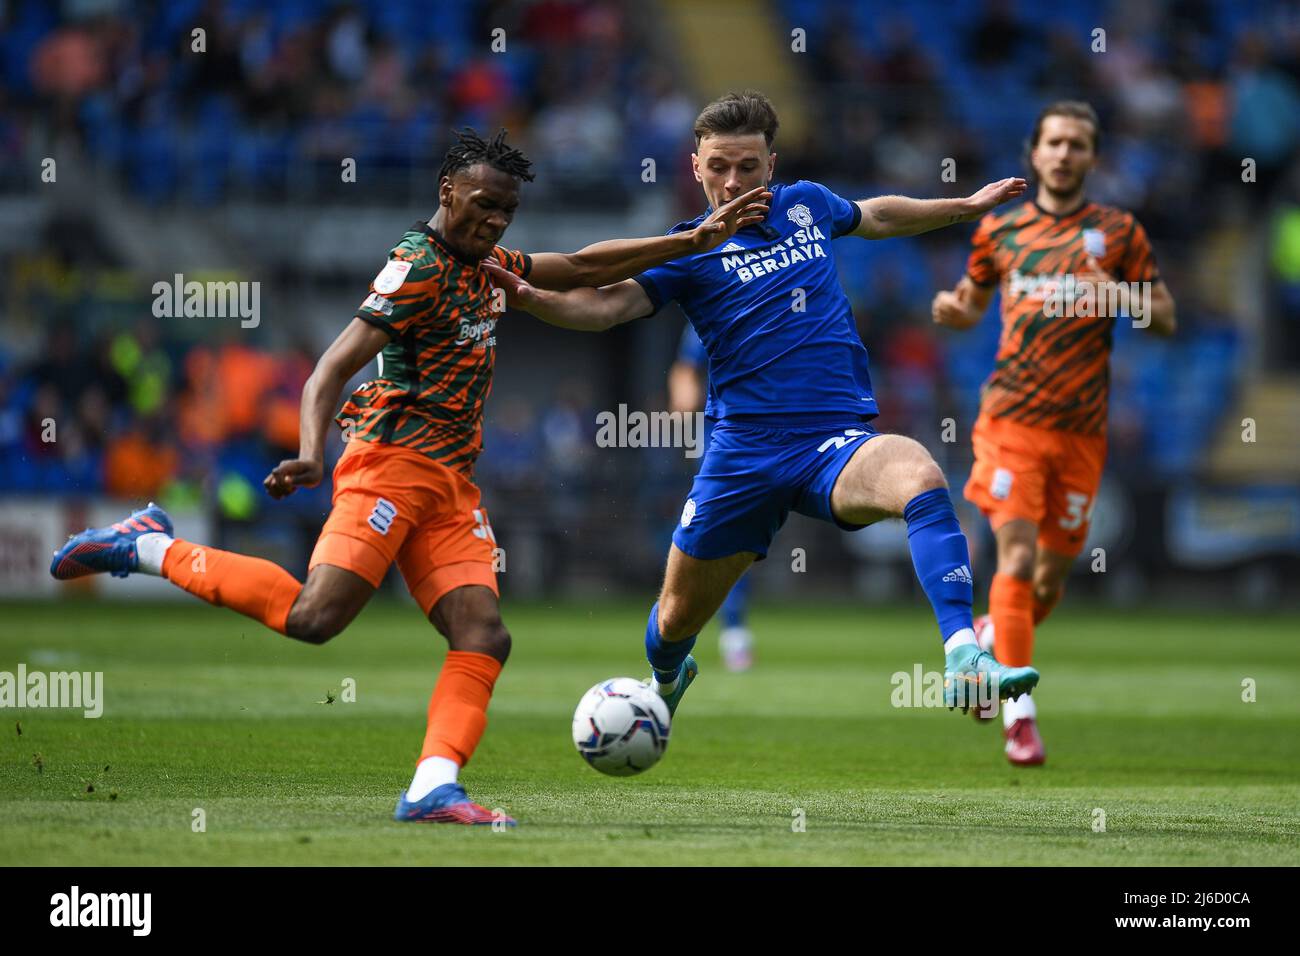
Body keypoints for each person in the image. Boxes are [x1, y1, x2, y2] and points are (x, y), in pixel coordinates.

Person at [50, 128, 770, 824]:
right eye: (483, 204)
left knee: (483, 635)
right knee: (314, 618)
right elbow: (334, 363)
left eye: (506, 212)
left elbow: (582, 267)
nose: (494, 221)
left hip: (451, 483)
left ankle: (434, 787)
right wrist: (310, 451)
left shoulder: (488, 267)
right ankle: (146, 545)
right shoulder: (417, 265)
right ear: (447, 190)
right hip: (390, 466)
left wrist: (687, 241)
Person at [484, 90, 1038, 729]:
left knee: (918, 473)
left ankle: (963, 656)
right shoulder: (685, 250)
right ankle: (668, 676)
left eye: (748, 166)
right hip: (743, 455)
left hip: (834, 441)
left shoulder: (805, 204)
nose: (733, 180)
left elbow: (877, 215)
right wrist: (528, 299)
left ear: (771, 165)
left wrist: (962, 207)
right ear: (695, 167)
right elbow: (605, 305)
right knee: (671, 624)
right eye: (719, 165)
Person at [931, 101, 1176, 764]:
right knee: (1012, 560)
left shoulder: (1120, 232)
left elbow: (1168, 318)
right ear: (1033, 153)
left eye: (1078, 144)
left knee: (1047, 582)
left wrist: (1121, 296)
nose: (1065, 154)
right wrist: (951, 311)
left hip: (1082, 433)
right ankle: (1020, 718)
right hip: (1011, 420)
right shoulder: (1000, 231)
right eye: (1054, 142)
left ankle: (988, 634)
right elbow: (968, 303)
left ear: (1093, 158)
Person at [668, 323, 754, 672]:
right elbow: (686, 370)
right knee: (718, 531)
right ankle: (726, 630)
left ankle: (724, 627)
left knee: (744, 534)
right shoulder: (711, 309)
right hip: (722, 437)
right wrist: (681, 407)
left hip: (776, 434)